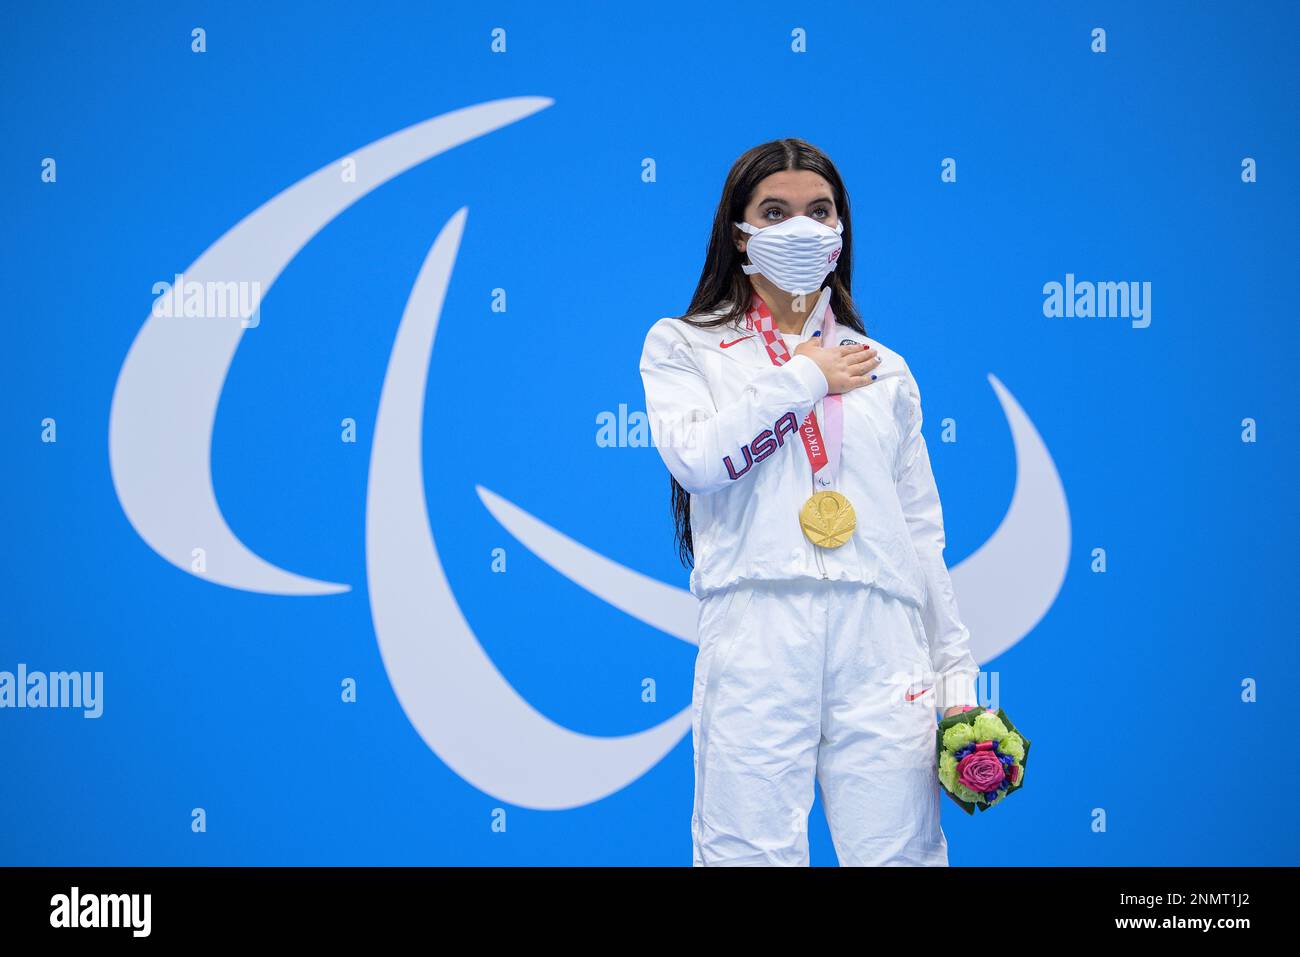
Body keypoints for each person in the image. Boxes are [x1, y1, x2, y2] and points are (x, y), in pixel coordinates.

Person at [638, 138, 982, 867]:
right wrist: (805, 376)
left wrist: (958, 683)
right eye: (776, 211)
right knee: (746, 856)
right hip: (759, 628)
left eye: (819, 211)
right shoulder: (684, 347)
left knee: (902, 857)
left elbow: (923, 540)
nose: (801, 227)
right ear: (739, 234)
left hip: (884, 641)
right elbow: (700, 460)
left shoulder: (886, 369)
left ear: (841, 230)